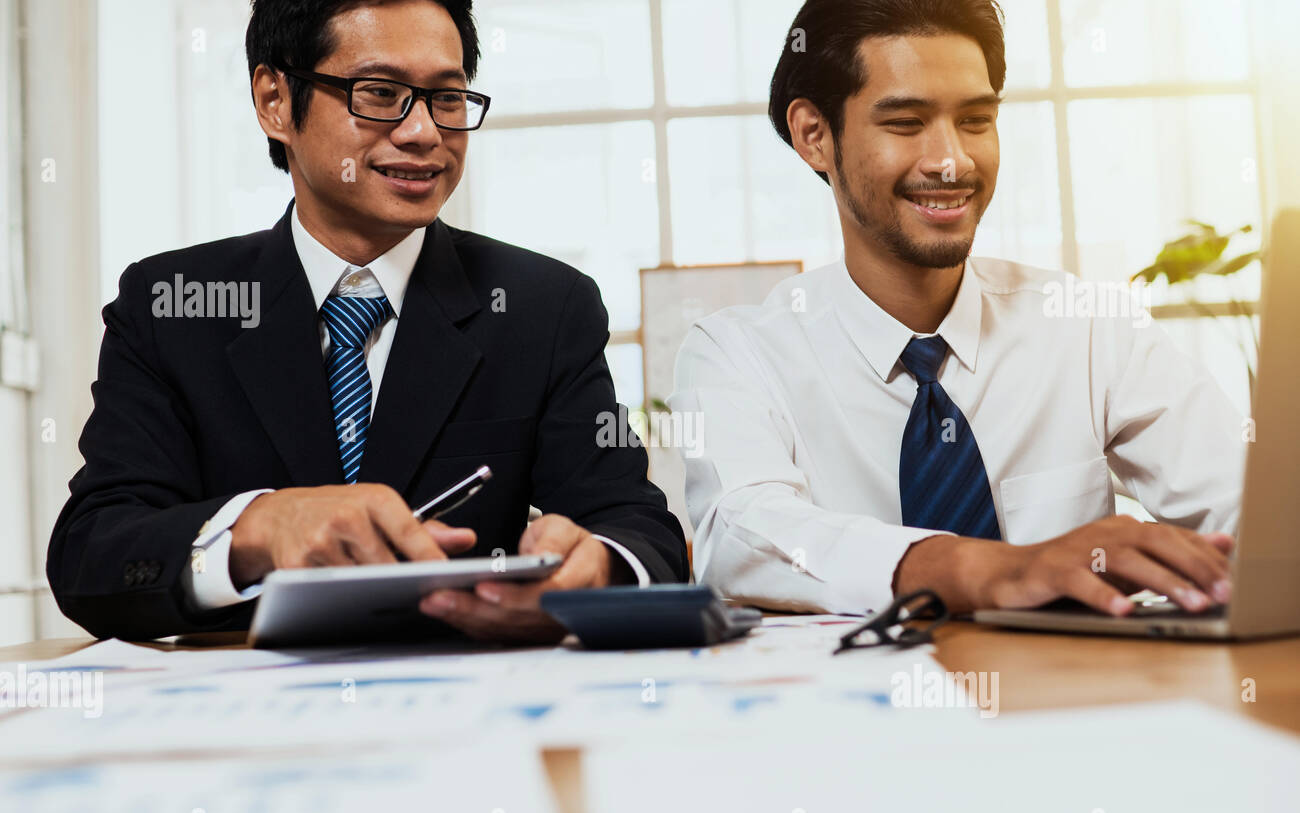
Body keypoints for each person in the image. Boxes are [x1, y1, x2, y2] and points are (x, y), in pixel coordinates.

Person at [48, 0, 687, 642]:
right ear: (275, 100)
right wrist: (258, 531)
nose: (423, 133)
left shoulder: (545, 306)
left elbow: (639, 530)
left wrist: (598, 566)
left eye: (448, 98)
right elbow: (91, 554)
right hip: (248, 711)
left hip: (470, 705)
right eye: (380, 93)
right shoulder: (172, 304)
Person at [671, 0, 1242, 617]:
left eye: (975, 120)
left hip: (1069, 699)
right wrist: (981, 569)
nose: (952, 161)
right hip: (849, 705)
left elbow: (1252, 510)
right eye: (906, 122)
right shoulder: (738, 354)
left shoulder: (1090, 327)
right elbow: (742, 535)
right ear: (816, 136)